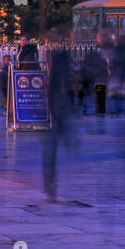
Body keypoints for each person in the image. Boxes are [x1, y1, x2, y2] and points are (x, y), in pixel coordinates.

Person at [42, 27, 78, 202]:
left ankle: (51, 186)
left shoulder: (63, 58)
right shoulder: (61, 59)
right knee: (53, 146)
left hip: (61, 106)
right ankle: (50, 186)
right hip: (60, 106)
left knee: (53, 146)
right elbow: (57, 83)